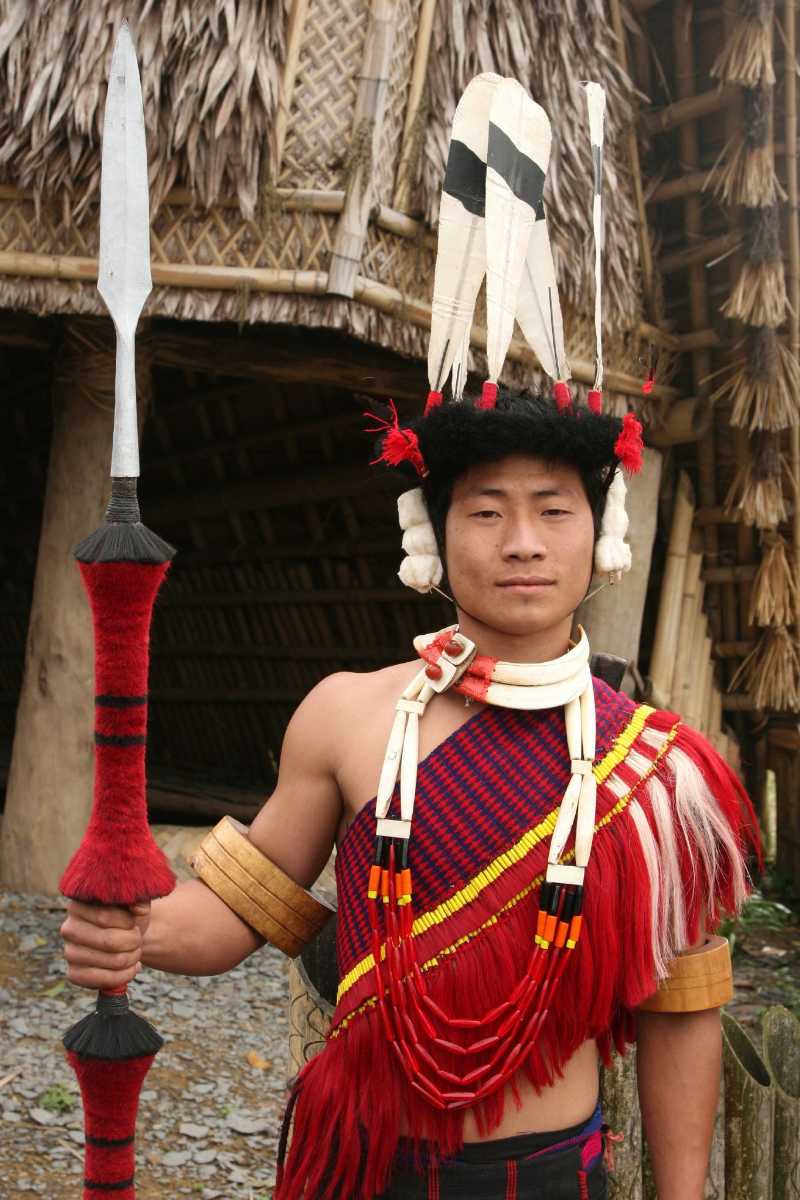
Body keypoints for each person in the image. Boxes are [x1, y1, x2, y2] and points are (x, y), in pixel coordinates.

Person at [59, 77, 759, 1200]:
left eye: (552, 511)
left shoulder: (660, 774)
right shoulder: (347, 714)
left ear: (598, 534)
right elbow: (243, 915)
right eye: (484, 511)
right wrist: (128, 930)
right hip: (353, 1164)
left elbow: (680, 1011)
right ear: (433, 534)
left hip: (548, 1176)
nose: (520, 542)